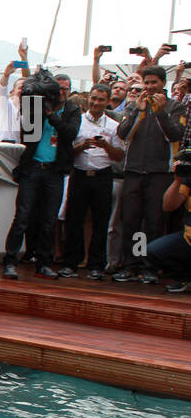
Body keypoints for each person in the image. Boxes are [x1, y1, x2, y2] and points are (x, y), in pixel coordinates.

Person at [113, 65, 187, 283]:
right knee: (131, 221)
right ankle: (131, 264)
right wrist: (139, 110)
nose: (149, 87)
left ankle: (150, 267)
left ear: (163, 83)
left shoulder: (175, 107)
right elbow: (123, 133)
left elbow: (176, 135)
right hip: (134, 171)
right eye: (147, 83)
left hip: (160, 173)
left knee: (153, 222)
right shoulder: (135, 106)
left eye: (154, 82)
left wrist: (160, 112)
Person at [3, 72, 78, 280]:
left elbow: (69, 133)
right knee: (23, 216)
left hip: (55, 170)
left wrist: (51, 114)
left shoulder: (72, 110)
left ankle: (43, 263)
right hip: (33, 168)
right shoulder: (35, 108)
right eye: (58, 89)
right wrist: (37, 112)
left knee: (49, 220)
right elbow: (28, 135)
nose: (61, 93)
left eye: (64, 89)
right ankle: (10, 261)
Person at [59, 84, 124, 280]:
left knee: (101, 222)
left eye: (101, 99)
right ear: (89, 98)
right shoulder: (76, 122)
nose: (96, 103)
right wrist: (82, 145)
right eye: (93, 98)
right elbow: (66, 153)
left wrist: (105, 146)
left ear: (107, 101)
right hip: (79, 174)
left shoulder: (114, 126)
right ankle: (71, 263)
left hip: (103, 176)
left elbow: (119, 156)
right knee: (74, 221)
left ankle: (96, 265)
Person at [147, 151, 191, 293]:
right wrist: (177, 180)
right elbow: (168, 206)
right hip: (188, 237)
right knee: (150, 250)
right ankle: (185, 278)